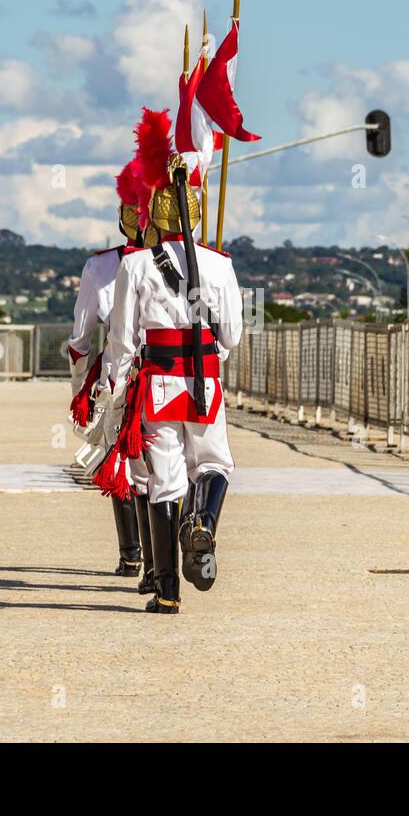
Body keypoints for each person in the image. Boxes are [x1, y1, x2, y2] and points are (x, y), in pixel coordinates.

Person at [94, 113, 244, 615]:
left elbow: (121, 337)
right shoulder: (220, 265)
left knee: (164, 479)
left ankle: (166, 591)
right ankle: (204, 521)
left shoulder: (135, 265)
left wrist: (113, 386)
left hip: (158, 383)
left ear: (153, 217)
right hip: (205, 384)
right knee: (214, 462)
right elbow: (232, 336)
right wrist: (209, 355)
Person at [66, 126, 158, 591]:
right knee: (166, 461)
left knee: (120, 456)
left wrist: (80, 382)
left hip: (122, 369)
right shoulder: (191, 262)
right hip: (169, 366)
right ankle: (156, 554)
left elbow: (82, 335)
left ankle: (132, 555)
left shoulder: (100, 265)